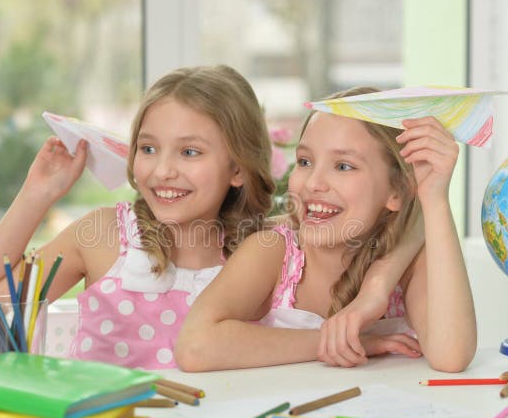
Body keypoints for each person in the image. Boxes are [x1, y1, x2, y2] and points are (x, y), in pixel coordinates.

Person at [0, 65, 276, 369]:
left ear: (238, 168)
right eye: (148, 149)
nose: (162, 171)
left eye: (189, 152)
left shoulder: (267, 254)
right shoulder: (104, 236)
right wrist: (37, 195)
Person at [175, 87, 476, 372]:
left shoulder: (409, 263)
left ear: (396, 192)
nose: (313, 183)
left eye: (343, 166)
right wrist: (336, 342)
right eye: (305, 161)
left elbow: (451, 356)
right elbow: (194, 346)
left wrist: (435, 197)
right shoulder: (273, 252)